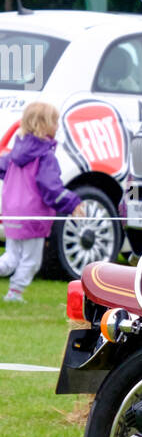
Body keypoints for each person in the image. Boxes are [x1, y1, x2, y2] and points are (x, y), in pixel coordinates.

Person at [0, 101, 84, 301]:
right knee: (31, 261)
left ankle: (14, 292)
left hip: (11, 212)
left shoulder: (14, 154)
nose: (57, 127)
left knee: (11, 258)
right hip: (33, 216)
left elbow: (2, 168)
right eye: (54, 122)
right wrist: (72, 203)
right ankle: (14, 293)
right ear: (43, 125)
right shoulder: (45, 156)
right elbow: (51, 188)